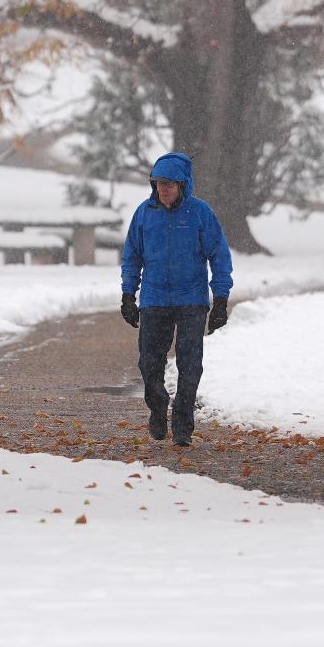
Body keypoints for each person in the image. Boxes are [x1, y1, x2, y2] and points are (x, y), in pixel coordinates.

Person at [119, 152, 234, 446]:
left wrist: (220, 298)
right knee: (149, 364)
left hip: (191, 300)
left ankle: (182, 422)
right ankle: (157, 407)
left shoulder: (200, 213)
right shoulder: (144, 214)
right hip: (154, 299)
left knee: (190, 363)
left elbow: (219, 255)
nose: (162, 190)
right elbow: (132, 255)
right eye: (158, 184)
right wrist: (128, 294)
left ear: (182, 185)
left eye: (168, 185)